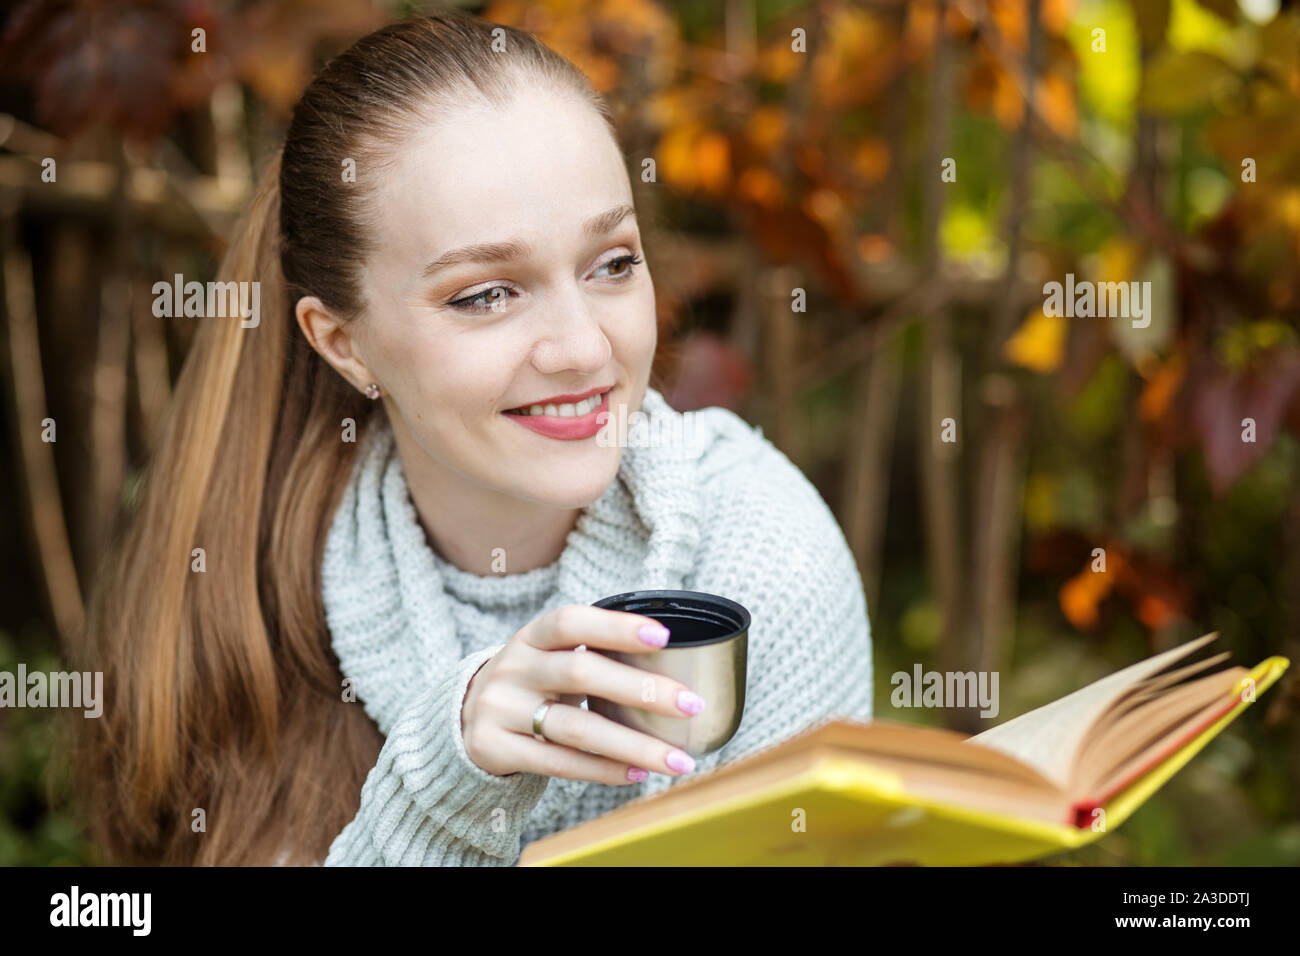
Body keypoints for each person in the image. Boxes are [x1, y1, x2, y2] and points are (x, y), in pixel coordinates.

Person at [73, 11, 873, 866]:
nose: (583, 349)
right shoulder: (249, 581)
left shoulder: (758, 555)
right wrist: (442, 789)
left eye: (611, 264)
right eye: (486, 294)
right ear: (343, 343)